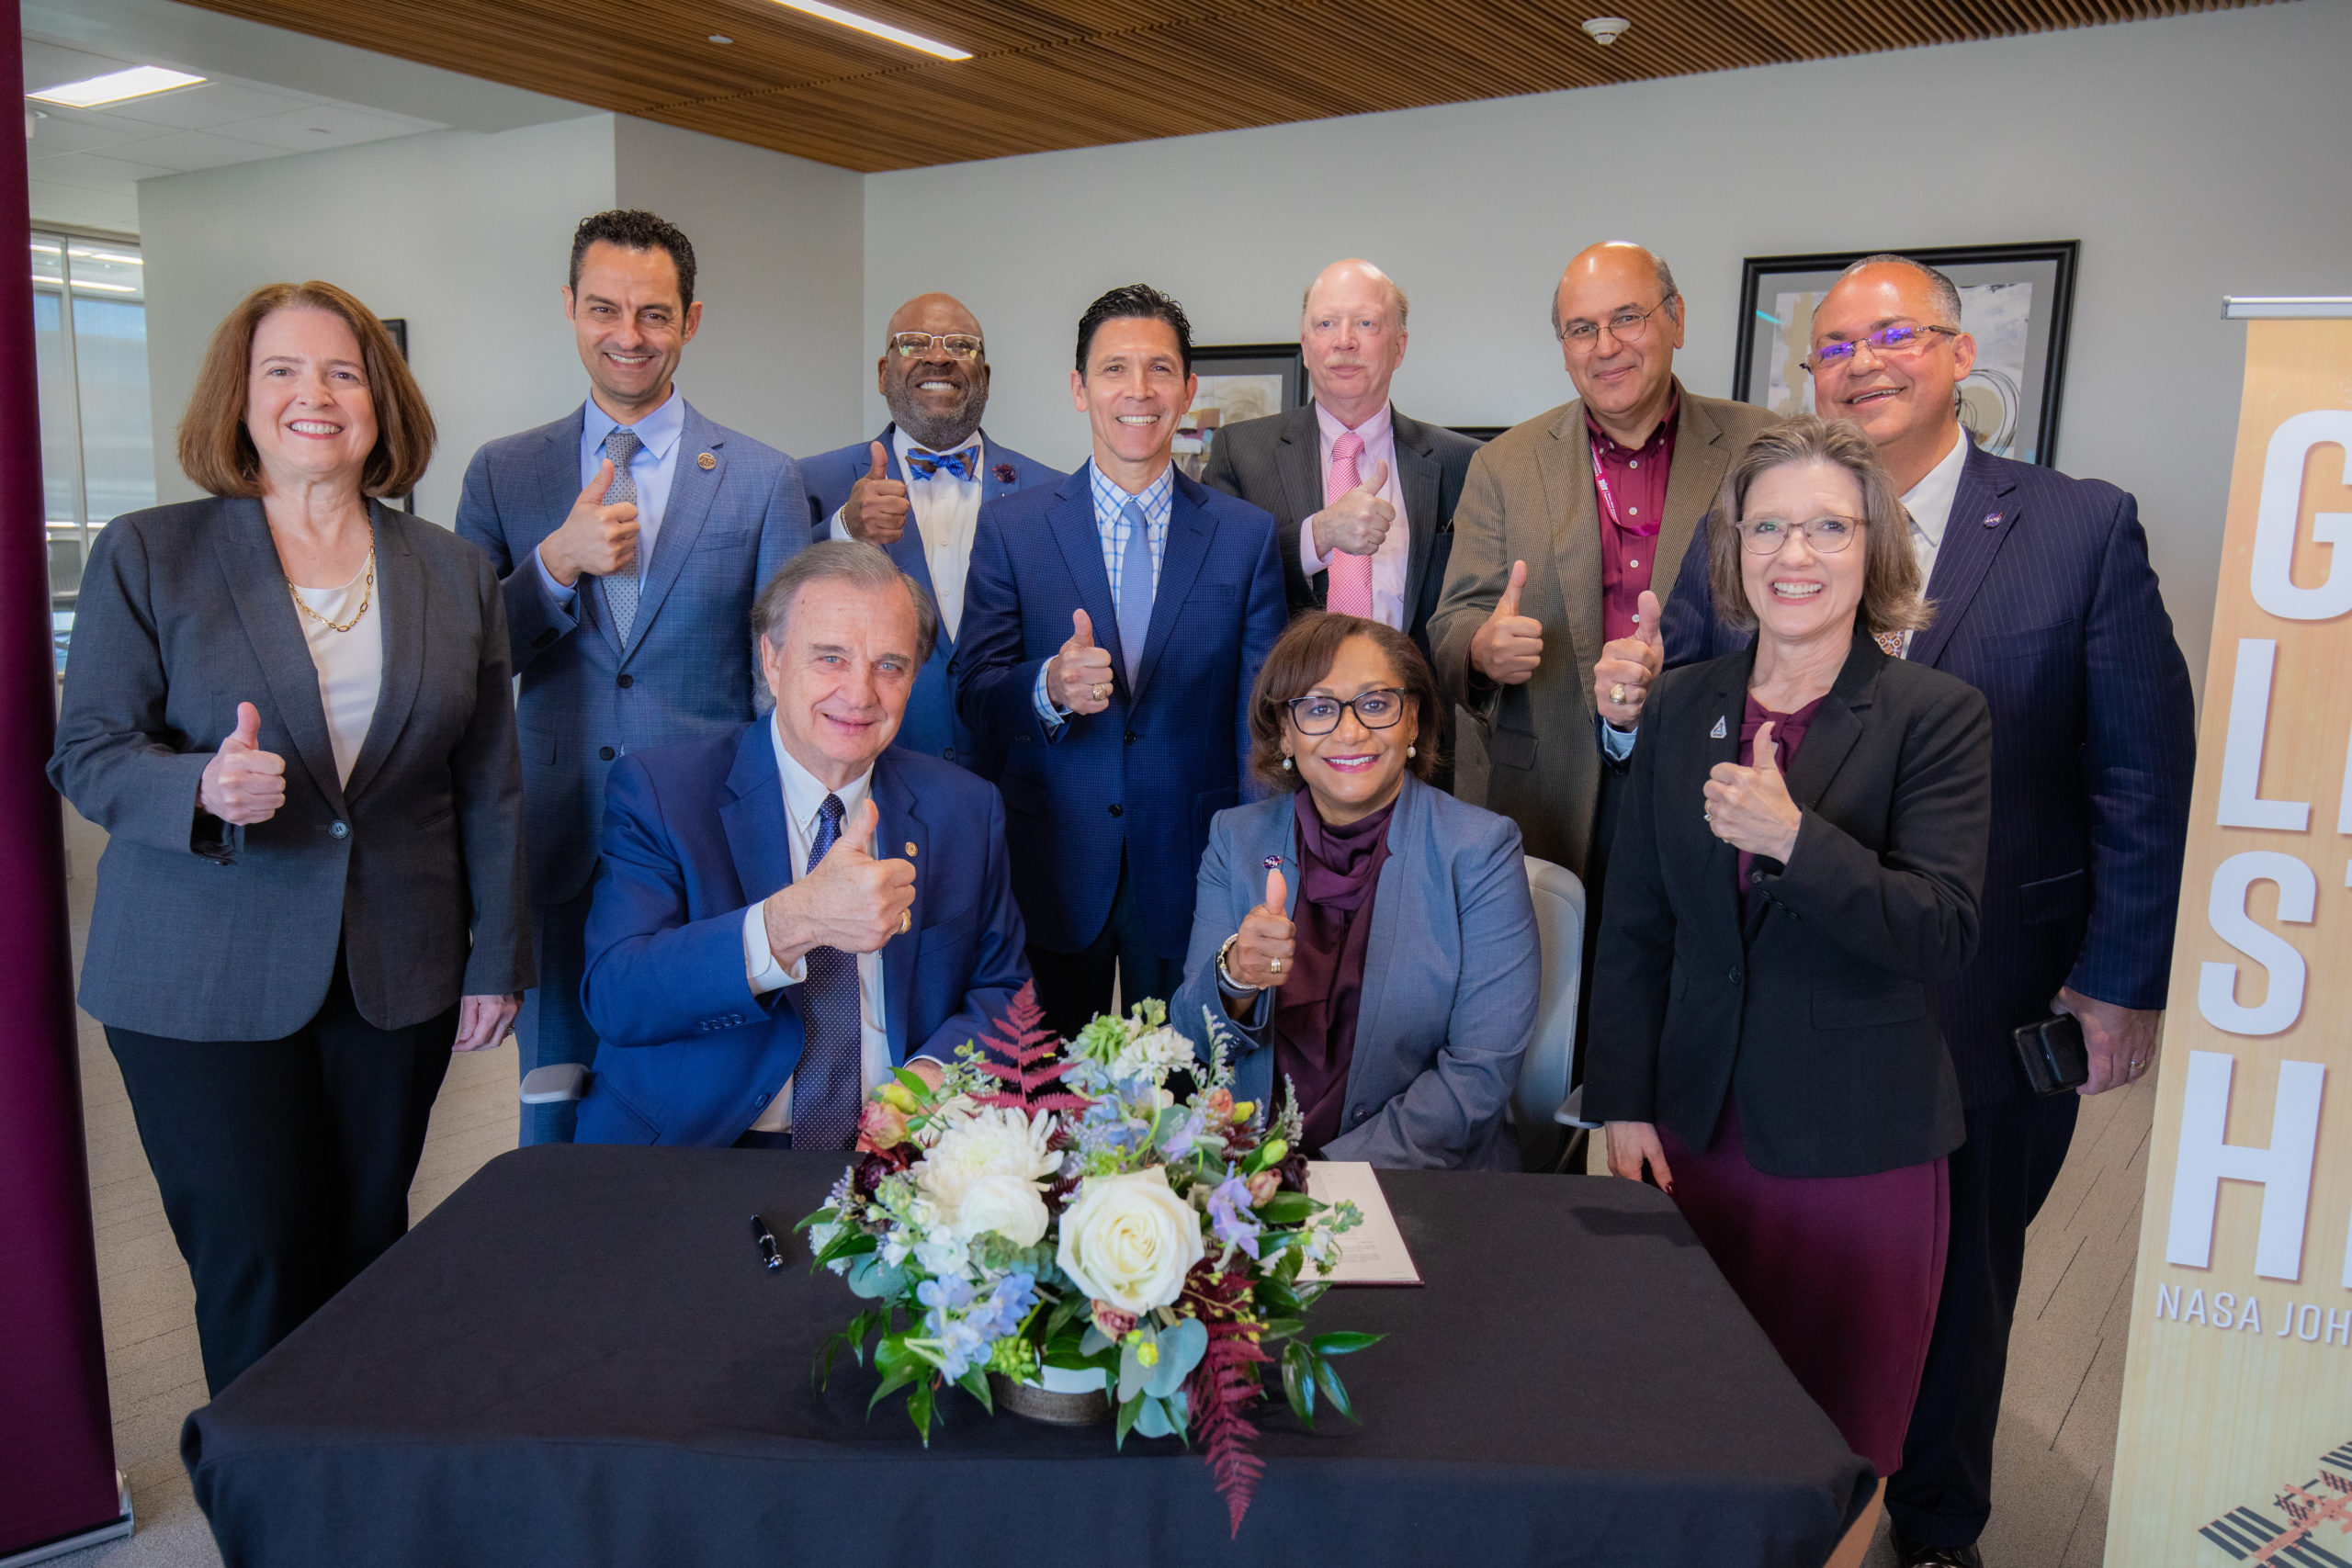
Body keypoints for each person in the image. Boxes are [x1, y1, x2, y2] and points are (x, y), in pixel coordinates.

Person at [1654, 257, 2197, 1568]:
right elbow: (1685, 693)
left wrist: (2118, 980)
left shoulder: (2078, 526)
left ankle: (1939, 1529)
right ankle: (1760, 1503)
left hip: (1983, 993)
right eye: (1834, 344)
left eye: (1896, 333)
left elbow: (2141, 766)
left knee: (1960, 1290)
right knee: (1764, 1276)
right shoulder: (1749, 522)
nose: (1864, 359)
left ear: (1964, 356)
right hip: (1773, 1000)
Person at [51, 282, 531, 1393]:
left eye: (342, 372)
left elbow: (490, 785)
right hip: (198, 976)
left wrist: (497, 955)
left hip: (392, 970)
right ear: (241, 399)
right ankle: (269, 1518)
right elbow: (88, 751)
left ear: (381, 401)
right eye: (283, 371)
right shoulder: (151, 554)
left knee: (370, 1250)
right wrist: (202, 788)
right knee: (258, 1259)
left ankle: (353, 1485)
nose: (314, 395)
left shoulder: (453, 572)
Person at [1586, 415, 1993, 1551]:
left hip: (1853, 1150)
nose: (1793, 555)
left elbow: (1944, 930)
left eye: (1826, 526)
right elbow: (1636, 923)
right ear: (1734, 548)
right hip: (1692, 1135)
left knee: (1838, 1433)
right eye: (1768, 527)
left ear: (1876, 549)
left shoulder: (1934, 717)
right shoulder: (1679, 705)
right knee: (1683, 1417)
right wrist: (1621, 1099)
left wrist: (1794, 840)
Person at [456, 209, 808, 1145]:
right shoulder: (503, 472)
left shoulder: (763, 478)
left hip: (703, 843)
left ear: (691, 321)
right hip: (557, 832)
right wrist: (553, 567)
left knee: (691, 1101)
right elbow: (462, 662)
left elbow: (778, 680)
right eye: (605, 309)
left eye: (654, 315)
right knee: (556, 1097)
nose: (628, 336)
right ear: (570, 308)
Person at [1425, 242, 1777, 1080]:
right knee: (1550, 1040)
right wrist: (1480, 645)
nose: (1606, 344)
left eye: (1627, 317)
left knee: (1698, 1019)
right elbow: (1449, 623)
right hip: (1553, 787)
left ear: (1677, 319)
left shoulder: (1766, 446)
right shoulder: (1506, 463)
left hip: (1718, 775)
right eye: (1582, 328)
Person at [576, 542, 1028, 1148]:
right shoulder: (662, 792)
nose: (860, 693)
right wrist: (796, 918)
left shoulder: (965, 808)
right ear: (773, 658)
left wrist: (927, 1079)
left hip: (899, 1148)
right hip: (702, 1149)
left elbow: (1004, 990)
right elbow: (617, 994)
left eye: (889, 665)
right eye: (831, 658)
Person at [955, 285, 1288, 1044]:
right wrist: (1046, 687)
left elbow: (1260, 727)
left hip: (1193, 867)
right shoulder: (1013, 531)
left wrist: (1260, 872)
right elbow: (974, 695)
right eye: (1113, 369)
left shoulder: (1243, 536)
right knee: (1038, 1099)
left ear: (1188, 390)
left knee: (1183, 1100)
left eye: (1159, 370)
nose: (1138, 392)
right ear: (1079, 389)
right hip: (1049, 864)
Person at [1170, 614, 1536, 1168]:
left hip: (1419, 1182)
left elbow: (1476, 1077)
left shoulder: (1480, 850)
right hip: (1248, 1178)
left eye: (1375, 703)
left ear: (1412, 720)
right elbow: (1191, 1040)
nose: (1350, 731)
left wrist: (1321, 1181)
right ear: (1285, 733)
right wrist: (1235, 977)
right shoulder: (1237, 839)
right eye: (1318, 709)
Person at [1199, 260, 1481, 785]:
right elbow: (1217, 578)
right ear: (1305, 344)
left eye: (1366, 324)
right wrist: (1320, 535)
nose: (1344, 342)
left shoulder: (1462, 462)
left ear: (1399, 346)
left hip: (1414, 749)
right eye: (1326, 324)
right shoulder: (1243, 451)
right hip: (1288, 746)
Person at [797, 293, 1062, 773]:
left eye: (961, 345)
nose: (938, 356)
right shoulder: (810, 482)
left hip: (1020, 784)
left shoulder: (1055, 493)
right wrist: (845, 529)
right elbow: (775, 614)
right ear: (882, 373)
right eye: (914, 342)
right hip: (871, 773)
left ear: (985, 376)